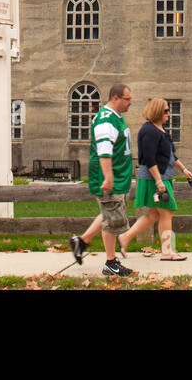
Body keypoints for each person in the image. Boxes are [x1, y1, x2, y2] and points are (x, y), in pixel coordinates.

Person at [68, 83, 135, 276]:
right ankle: (111, 263)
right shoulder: (106, 120)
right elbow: (104, 150)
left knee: (110, 213)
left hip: (118, 176)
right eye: (127, 99)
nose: (130, 102)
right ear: (115, 98)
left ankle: (81, 242)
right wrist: (108, 177)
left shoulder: (115, 117)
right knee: (112, 220)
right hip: (110, 177)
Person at [118, 98, 192, 260]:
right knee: (167, 212)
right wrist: (159, 181)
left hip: (162, 177)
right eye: (166, 111)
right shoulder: (149, 131)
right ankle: (166, 252)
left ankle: (125, 238)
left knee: (154, 214)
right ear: (157, 112)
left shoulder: (161, 130)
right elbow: (150, 158)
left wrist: (184, 169)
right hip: (154, 179)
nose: (169, 113)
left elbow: (171, 155)